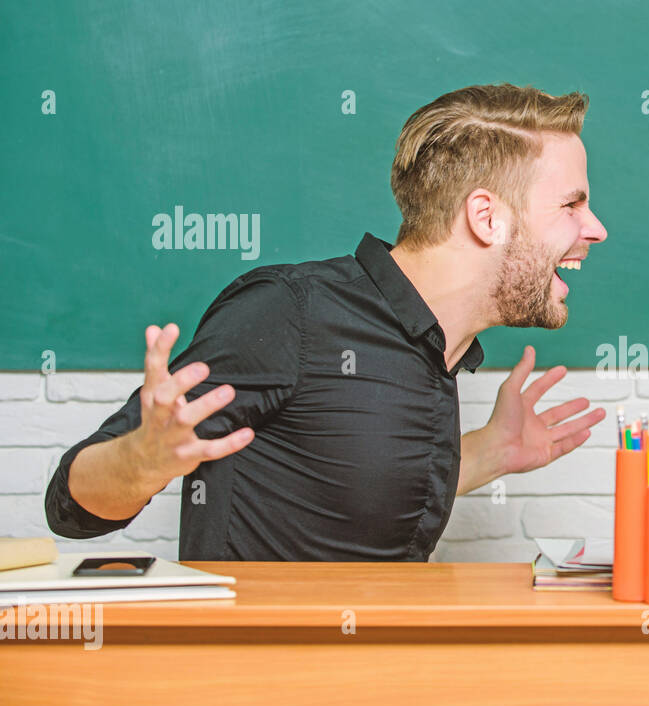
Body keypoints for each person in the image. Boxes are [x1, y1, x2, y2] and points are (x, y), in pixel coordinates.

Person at [45, 84, 609, 561]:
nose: (596, 229)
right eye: (570, 205)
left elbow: (345, 488)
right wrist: (140, 461)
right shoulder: (290, 312)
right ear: (487, 218)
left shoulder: (440, 348)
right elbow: (70, 507)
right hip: (253, 682)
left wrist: (488, 452)